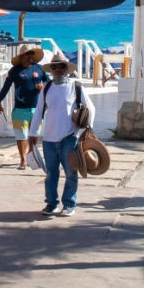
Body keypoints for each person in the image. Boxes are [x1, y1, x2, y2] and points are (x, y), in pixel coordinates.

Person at [29, 51, 96, 218]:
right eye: (54, 67)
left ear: (67, 68)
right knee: (51, 174)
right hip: (49, 139)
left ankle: (69, 204)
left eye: (61, 66)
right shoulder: (46, 89)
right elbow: (38, 112)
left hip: (69, 138)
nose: (58, 69)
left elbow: (91, 108)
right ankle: (51, 203)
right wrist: (33, 133)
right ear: (51, 70)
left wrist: (83, 131)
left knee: (71, 173)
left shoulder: (76, 87)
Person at [0, 43, 46, 171]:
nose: (30, 56)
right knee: (21, 136)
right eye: (27, 54)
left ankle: (31, 155)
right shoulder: (14, 71)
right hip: (20, 108)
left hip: (37, 108)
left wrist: (43, 86)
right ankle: (23, 159)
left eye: (31, 53)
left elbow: (48, 81)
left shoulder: (39, 68)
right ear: (22, 56)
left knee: (34, 134)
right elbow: (6, 87)